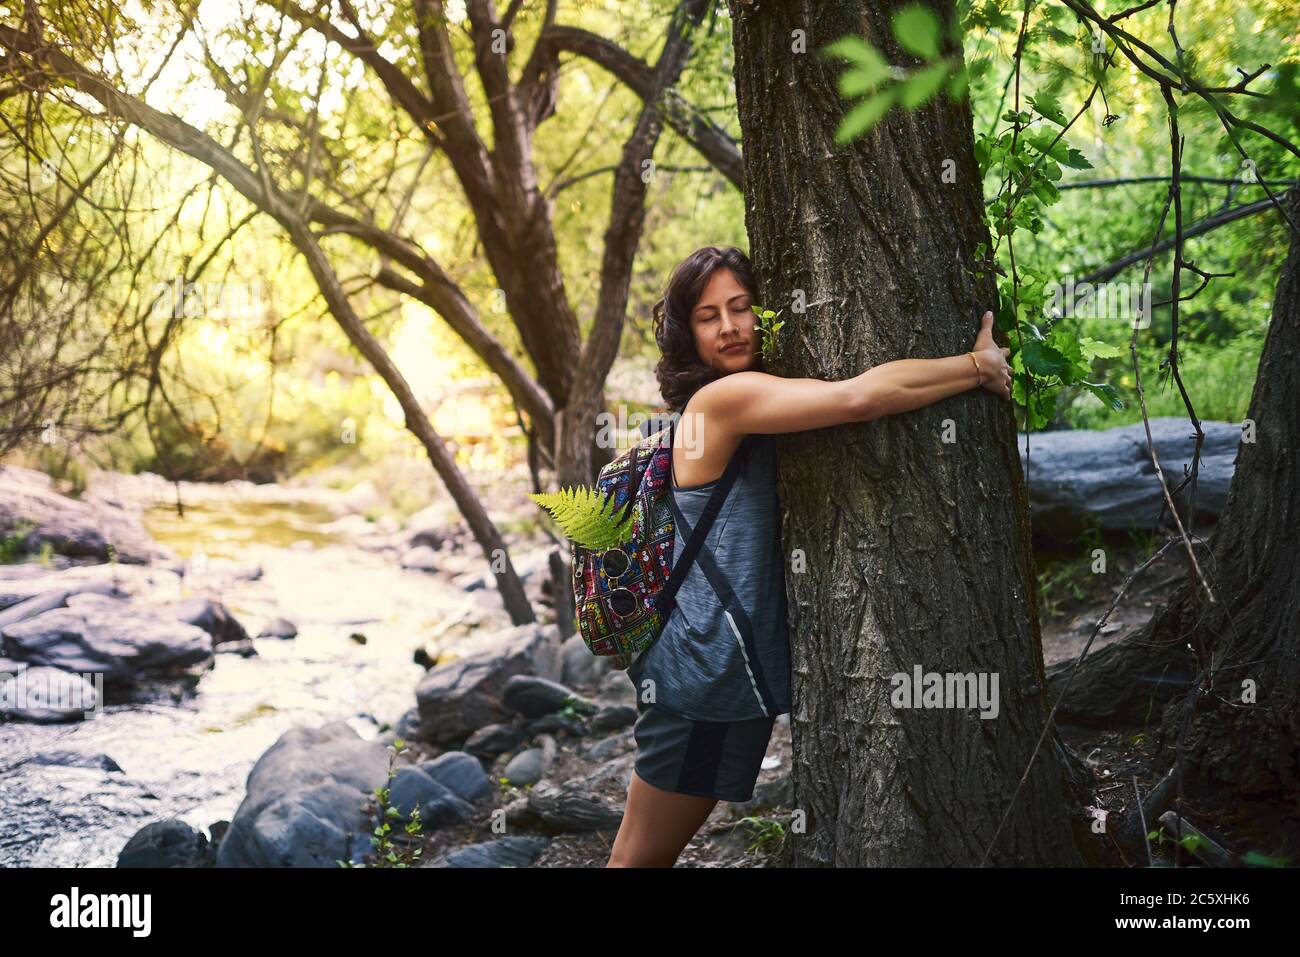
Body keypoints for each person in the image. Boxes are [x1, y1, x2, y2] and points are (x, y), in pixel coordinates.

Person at [605, 245, 1012, 867]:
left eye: (741, 307)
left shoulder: (731, 403)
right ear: (687, 335)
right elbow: (857, 401)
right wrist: (975, 367)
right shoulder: (721, 403)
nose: (731, 326)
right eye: (709, 316)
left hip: (709, 673)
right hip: (702, 681)